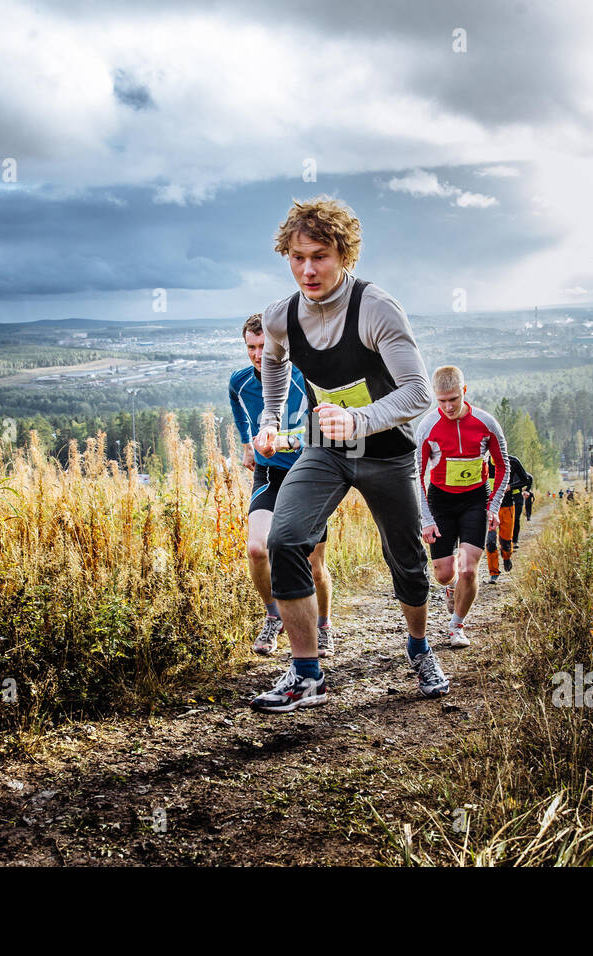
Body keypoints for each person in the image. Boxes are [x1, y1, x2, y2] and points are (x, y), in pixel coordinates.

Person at [249, 196, 446, 712]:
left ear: (344, 255)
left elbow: (418, 392)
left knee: (406, 559)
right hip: (327, 449)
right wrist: (271, 417)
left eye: (320, 256)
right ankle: (306, 673)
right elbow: (273, 359)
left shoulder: (375, 308)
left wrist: (359, 419)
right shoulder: (282, 316)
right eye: (297, 257)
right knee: (285, 539)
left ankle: (420, 648)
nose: (308, 270)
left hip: (387, 453)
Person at [228, 314, 333, 658]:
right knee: (258, 549)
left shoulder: (305, 379)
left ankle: (324, 625)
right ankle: (273, 616)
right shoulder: (240, 382)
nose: (258, 355)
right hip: (270, 475)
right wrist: (248, 445)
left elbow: (322, 432)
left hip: (310, 474)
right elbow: (240, 411)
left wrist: (281, 441)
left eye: (264, 347)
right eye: (251, 347)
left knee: (313, 566)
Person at [414, 366, 509, 647]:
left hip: (475, 500)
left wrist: (493, 507)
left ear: (464, 392)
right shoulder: (427, 427)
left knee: (469, 568)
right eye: (441, 401)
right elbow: (417, 475)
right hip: (441, 501)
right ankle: (452, 587)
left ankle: (457, 625)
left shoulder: (486, 423)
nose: (447, 407)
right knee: (445, 575)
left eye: (453, 399)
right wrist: (426, 519)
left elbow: (502, 467)